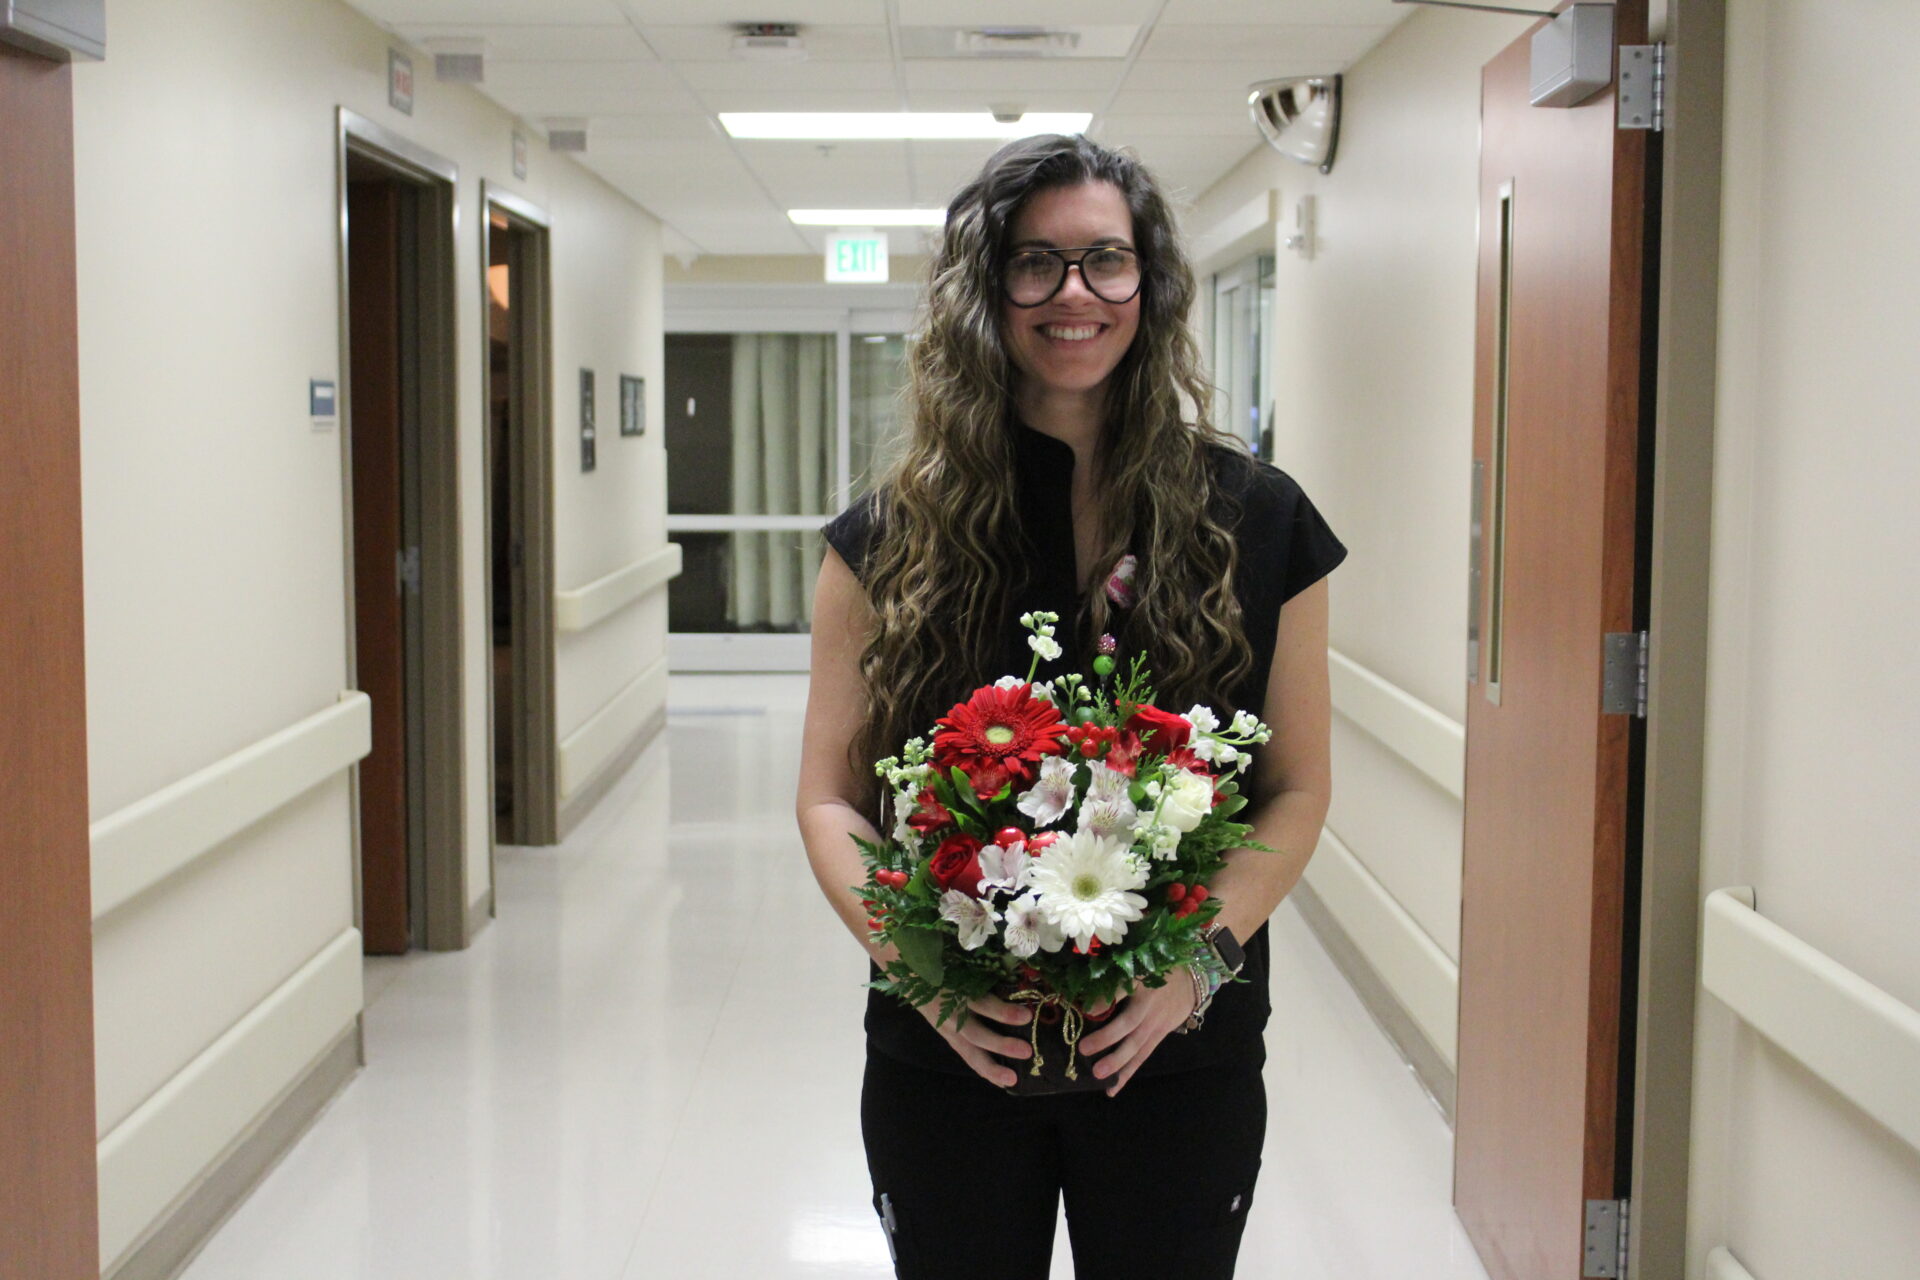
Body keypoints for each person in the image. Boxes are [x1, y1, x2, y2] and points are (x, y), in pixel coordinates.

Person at [794, 133, 1346, 1280]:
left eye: (1106, 259)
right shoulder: (889, 536)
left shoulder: (1257, 517)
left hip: (1176, 1051)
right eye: (1035, 262)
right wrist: (926, 973)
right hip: (949, 1054)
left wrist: (1195, 959)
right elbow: (830, 800)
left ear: (1150, 283)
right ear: (986, 290)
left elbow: (1297, 785)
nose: (1073, 294)